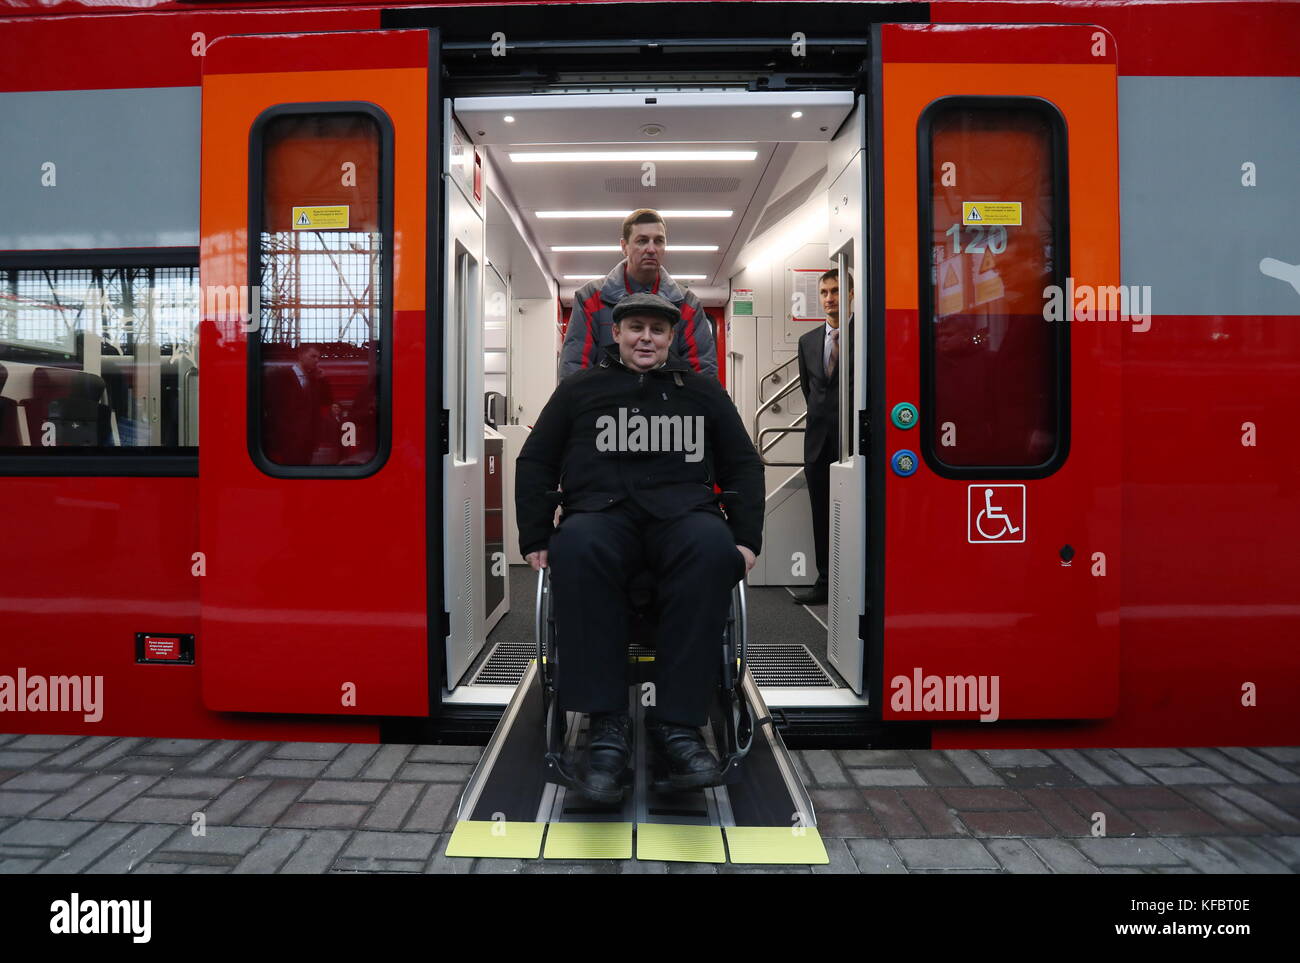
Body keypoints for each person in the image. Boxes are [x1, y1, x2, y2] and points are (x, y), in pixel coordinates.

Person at [517, 292, 763, 803]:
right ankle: (607, 728)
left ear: (672, 339)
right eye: (635, 328)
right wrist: (537, 535)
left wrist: (746, 539)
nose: (645, 338)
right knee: (577, 547)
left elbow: (743, 463)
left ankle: (677, 727)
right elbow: (536, 460)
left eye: (657, 330)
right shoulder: (580, 389)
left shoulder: (703, 392)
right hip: (600, 514)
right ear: (616, 334)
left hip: (684, 514)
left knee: (712, 551)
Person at [558, 208, 717, 380]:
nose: (651, 249)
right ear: (624, 246)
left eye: (658, 241)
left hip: (669, 404)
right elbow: (574, 372)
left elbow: (703, 376)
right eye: (642, 241)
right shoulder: (590, 298)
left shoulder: (688, 304)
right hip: (606, 403)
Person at [792, 269, 853, 605]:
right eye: (825, 292)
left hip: (855, 441)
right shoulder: (808, 341)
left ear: (850, 294)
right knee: (822, 514)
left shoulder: (866, 335)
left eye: (836, 291)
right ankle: (825, 582)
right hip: (817, 442)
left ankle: (857, 582)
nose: (830, 298)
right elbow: (809, 390)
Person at [262, 343, 335, 465]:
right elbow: (271, 406)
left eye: (318, 357)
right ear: (301, 356)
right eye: (313, 356)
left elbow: (327, 401)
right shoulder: (281, 376)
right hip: (285, 440)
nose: (317, 361)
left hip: (307, 441)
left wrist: (323, 380)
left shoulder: (315, 380)